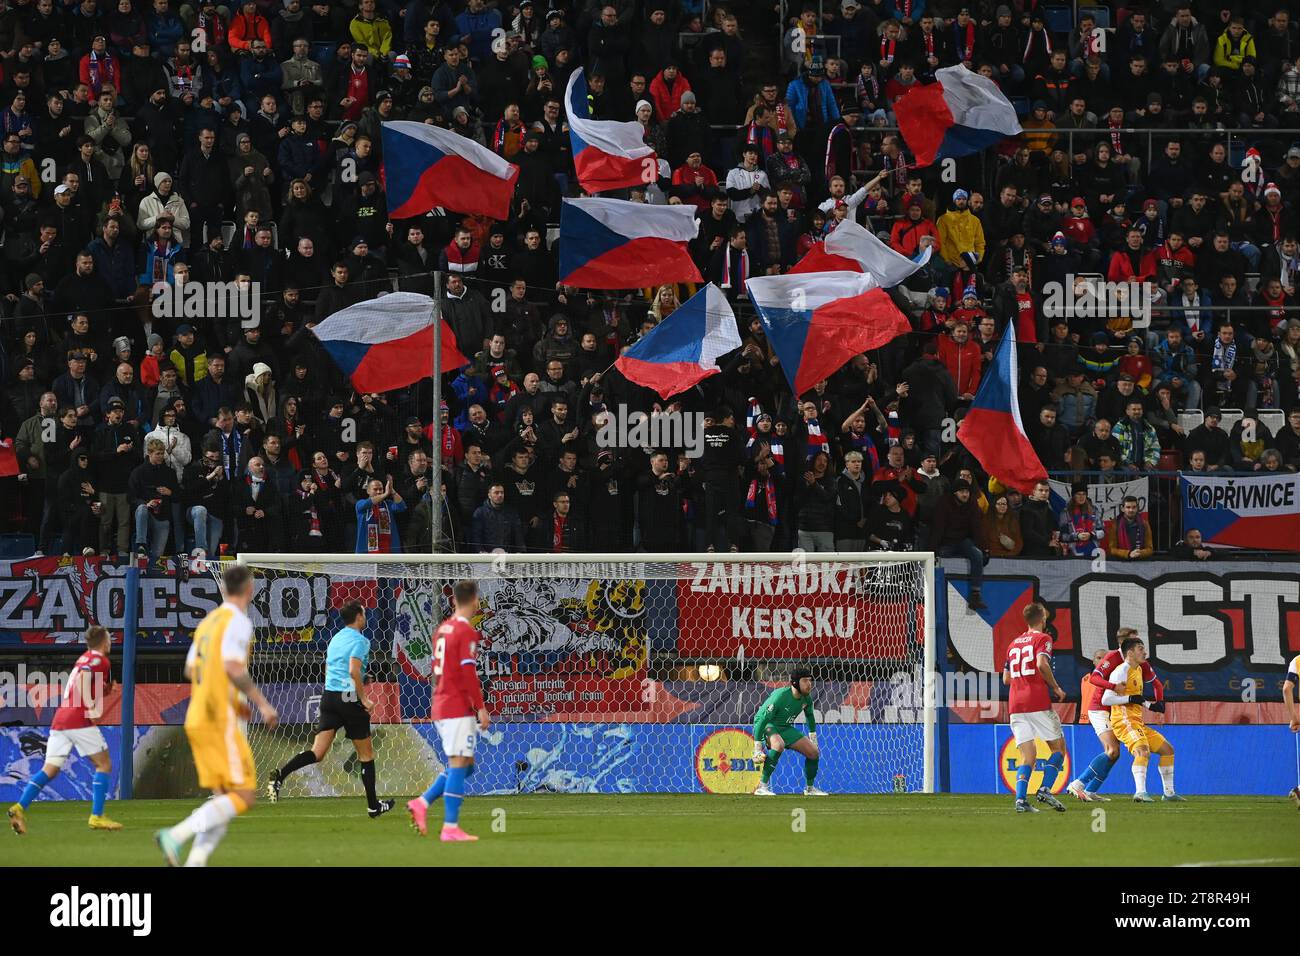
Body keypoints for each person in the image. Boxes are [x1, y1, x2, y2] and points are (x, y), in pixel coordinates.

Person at [156, 563, 278, 866]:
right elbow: (233, 667)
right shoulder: (238, 621)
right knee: (245, 795)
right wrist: (262, 703)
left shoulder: (208, 622)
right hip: (217, 719)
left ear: (223, 589)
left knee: (223, 798)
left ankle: (194, 863)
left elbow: (190, 669)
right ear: (249, 590)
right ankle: (176, 834)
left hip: (198, 714)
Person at [268, 603, 393, 818]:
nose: (365, 616)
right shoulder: (361, 641)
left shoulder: (335, 638)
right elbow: (353, 670)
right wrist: (364, 699)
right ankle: (373, 806)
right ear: (359, 617)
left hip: (330, 697)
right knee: (366, 755)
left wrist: (350, 683)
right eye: (363, 613)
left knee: (317, 752)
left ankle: (280, 775)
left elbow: (329, 668)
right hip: (350, 698)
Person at [8, 626, 120, 834]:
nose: (110, 643)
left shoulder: (83, 658)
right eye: (109, 639)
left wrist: (104, 691)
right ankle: (96, 816)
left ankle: (19, 807)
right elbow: (84, 679)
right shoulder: (100, 660)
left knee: (50, 769)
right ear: (104, 642)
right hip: (78, 718)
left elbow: (84, 681)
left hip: (61, 719)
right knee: (104, 764)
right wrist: (91, 706)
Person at [407, 579, 490, 842]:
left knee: (466, 766)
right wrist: (481, 707)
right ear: (475, 600)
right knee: (458, 764)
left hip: (442, 703)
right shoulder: (466, 632)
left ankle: (422, 802)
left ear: (454, 600)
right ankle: (450, 827)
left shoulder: (442, 629)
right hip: (455, 707)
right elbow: (468, 672)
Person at [1067, 628, 1165, 803]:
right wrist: (1113, 687)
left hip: (1115, 710)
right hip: (1100, 707)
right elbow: (1094, 679)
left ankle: (1090, 791)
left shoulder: (1138, 663)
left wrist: (1157, 704)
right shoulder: (1113, 658)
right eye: (1136, 643)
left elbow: (1156, 683)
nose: (1140, 647)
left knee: (1115, 753)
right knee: (1112, 750)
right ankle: (1078, 783)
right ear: (1125, 644)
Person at [1001, 602, 1068, 813]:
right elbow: (1041, 664)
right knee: (1058, 748)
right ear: (1042, 619)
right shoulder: (1043, 638)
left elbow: (1006, 678)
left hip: (1015, 704)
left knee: (1028, 756)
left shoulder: (1013, 644)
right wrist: (1055, 687)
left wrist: (1022, 680)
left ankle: (1021, 800)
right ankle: (1045, 789)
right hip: (1036, 702)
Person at [1101, 635, 1184, 802]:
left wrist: (1152, 706)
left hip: (1136, 721)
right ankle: (1140, 792)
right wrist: (1130, 699)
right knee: (1142, 751)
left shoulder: (1138, 669)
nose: (1145, 652)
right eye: (1141, 649)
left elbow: (1138, 697)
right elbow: (1106, 699)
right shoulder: (1121, 671)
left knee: (1167, 750)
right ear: (1130, 652)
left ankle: (1168, 794)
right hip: (1123, 722)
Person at [751, 666, 824, 797]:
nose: (809, 684)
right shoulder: (781, 696)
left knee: (813, 752)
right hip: (767, 724)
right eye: (805, 681)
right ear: (795, 682)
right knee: (778, 745)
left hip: (785, 727)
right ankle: (762, 787)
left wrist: (813, 738)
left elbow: (810, 716)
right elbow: (762, 720)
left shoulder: (806, 698)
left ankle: (810, 788)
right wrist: (757, 748)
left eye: (810, 680)